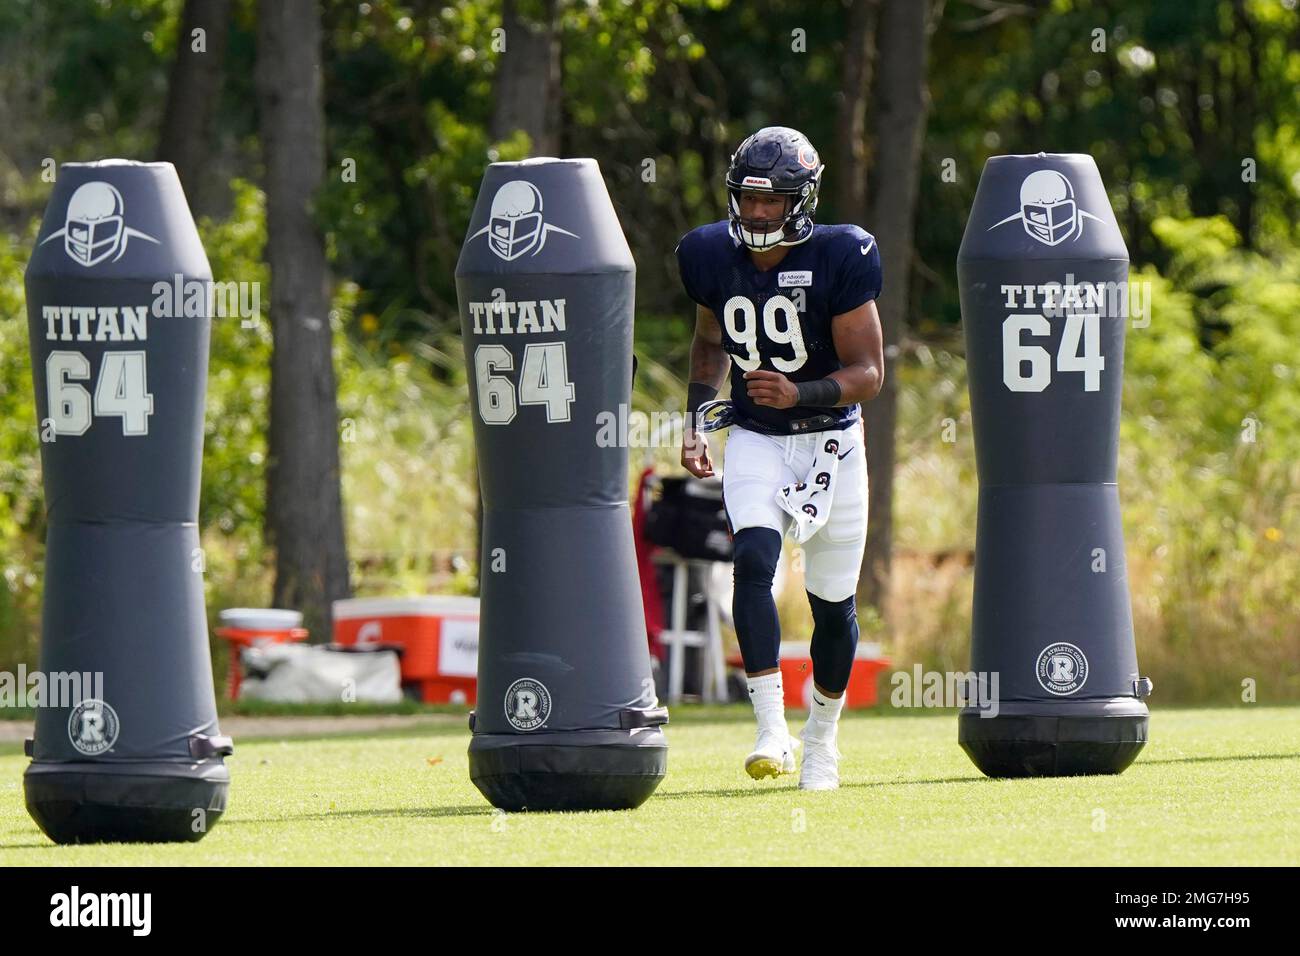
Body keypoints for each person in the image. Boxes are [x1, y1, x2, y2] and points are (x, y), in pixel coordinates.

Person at [675, 126, 884, 790]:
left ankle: (821, 740)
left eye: (774, 201)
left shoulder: (841, 254)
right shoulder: (708, 254)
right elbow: (710, 343)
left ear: (803, 198)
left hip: (831, 442)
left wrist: (802, 390)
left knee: (833, 607)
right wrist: (695, 420)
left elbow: (870, 371)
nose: (759, 213)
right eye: (749, 199)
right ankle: (771, 730)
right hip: (759, 436)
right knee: (752, 561)